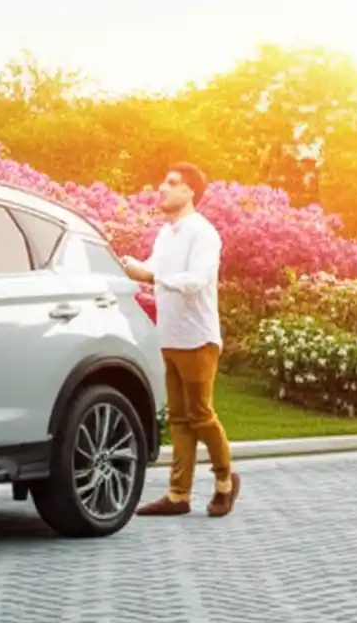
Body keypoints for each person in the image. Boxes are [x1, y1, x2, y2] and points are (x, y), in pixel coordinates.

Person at [121, 162, 240, 517]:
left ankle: (224, 482)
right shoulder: (166, 234)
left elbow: (197, 280)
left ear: (190, 192)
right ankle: (178, 495)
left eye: (171, 183)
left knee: (200, 414)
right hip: (170, 336)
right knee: (178, 418)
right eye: (164, 181)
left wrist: (151, 274)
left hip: (198, 338)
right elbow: (154, 267)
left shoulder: (202, 233)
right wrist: (133, 267)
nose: (162, 188)